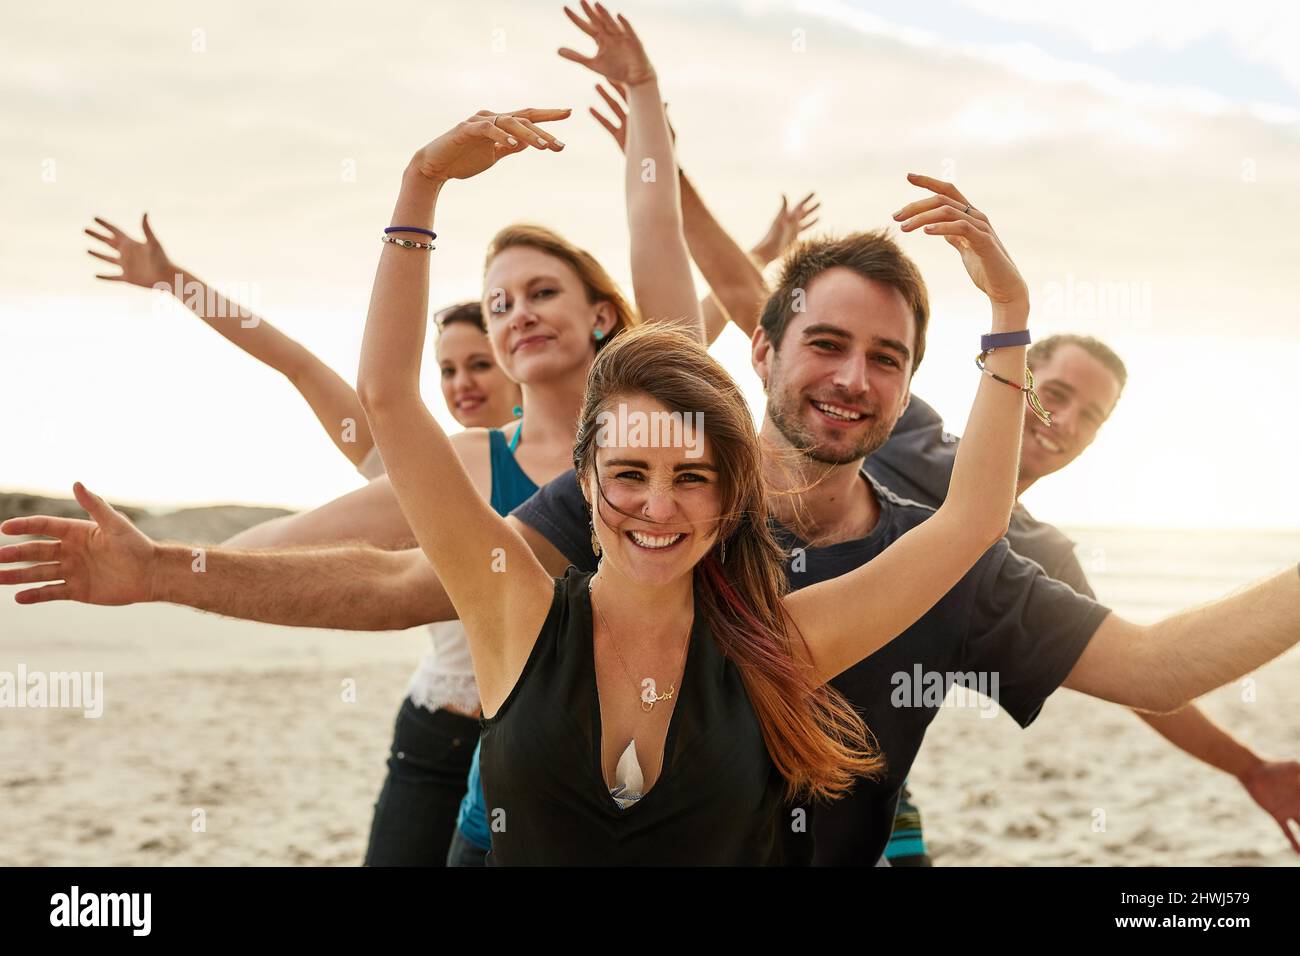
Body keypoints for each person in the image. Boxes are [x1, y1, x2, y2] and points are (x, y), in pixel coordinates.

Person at [868, 336, 1300, 859]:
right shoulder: (901, 426)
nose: (1066, 421)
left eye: (1090, 416)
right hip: (752, 712)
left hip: (871, 774)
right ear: (1011, 378)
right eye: (1054, 393)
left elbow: (1140, 673)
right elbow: (771, 316)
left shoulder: (1040, 556)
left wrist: (1250, 768)